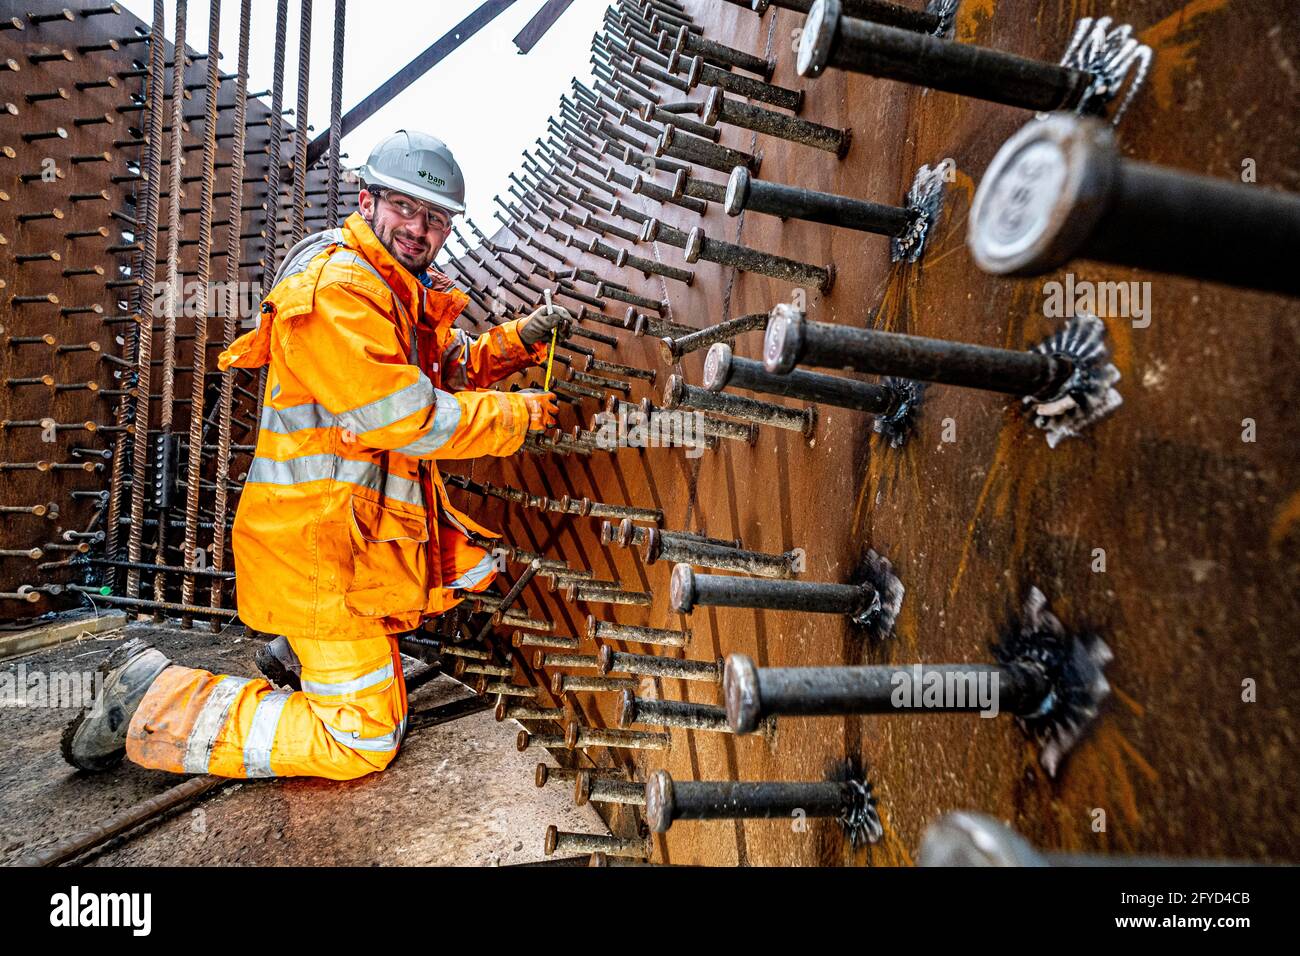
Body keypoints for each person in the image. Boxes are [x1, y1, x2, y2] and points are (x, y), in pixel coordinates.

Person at [63, 130, 569, 780]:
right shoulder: (337, 290)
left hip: (349, 549)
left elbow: (438, 368)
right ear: (367, 200)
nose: (420, 228)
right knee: (360, 739)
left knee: (373, 693)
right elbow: (401, 415)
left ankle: (297, 657)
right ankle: (153, 705)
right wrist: (519, 414)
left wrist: (516, 345)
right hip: (319, 554)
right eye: (405, 209)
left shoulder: (391, 290)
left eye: (436, 218)